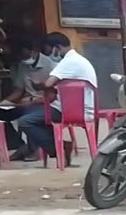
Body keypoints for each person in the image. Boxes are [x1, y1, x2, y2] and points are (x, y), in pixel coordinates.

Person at [16, 32, 98, 165]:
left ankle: (59, 148)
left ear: (56, 48)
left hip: (72, 110)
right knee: (36, 116)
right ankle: (59, 146)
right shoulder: (79, 59)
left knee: (25, 121)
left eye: (49, 50)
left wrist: (36, 85)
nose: (49, 55)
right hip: (80, 107)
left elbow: (48, 83)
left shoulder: (68, 62)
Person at [0, 36, 57, 161]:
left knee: (28, 116)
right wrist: (3, 103)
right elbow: (19, 91)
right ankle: (20, 146)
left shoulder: (50, 66)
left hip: (44, 102)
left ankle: (35, 149)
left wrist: (33, 101)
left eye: (25, 55)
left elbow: (54, 95)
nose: (23, 59)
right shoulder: (23, 66)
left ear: (33, 51)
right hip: (26, 101)